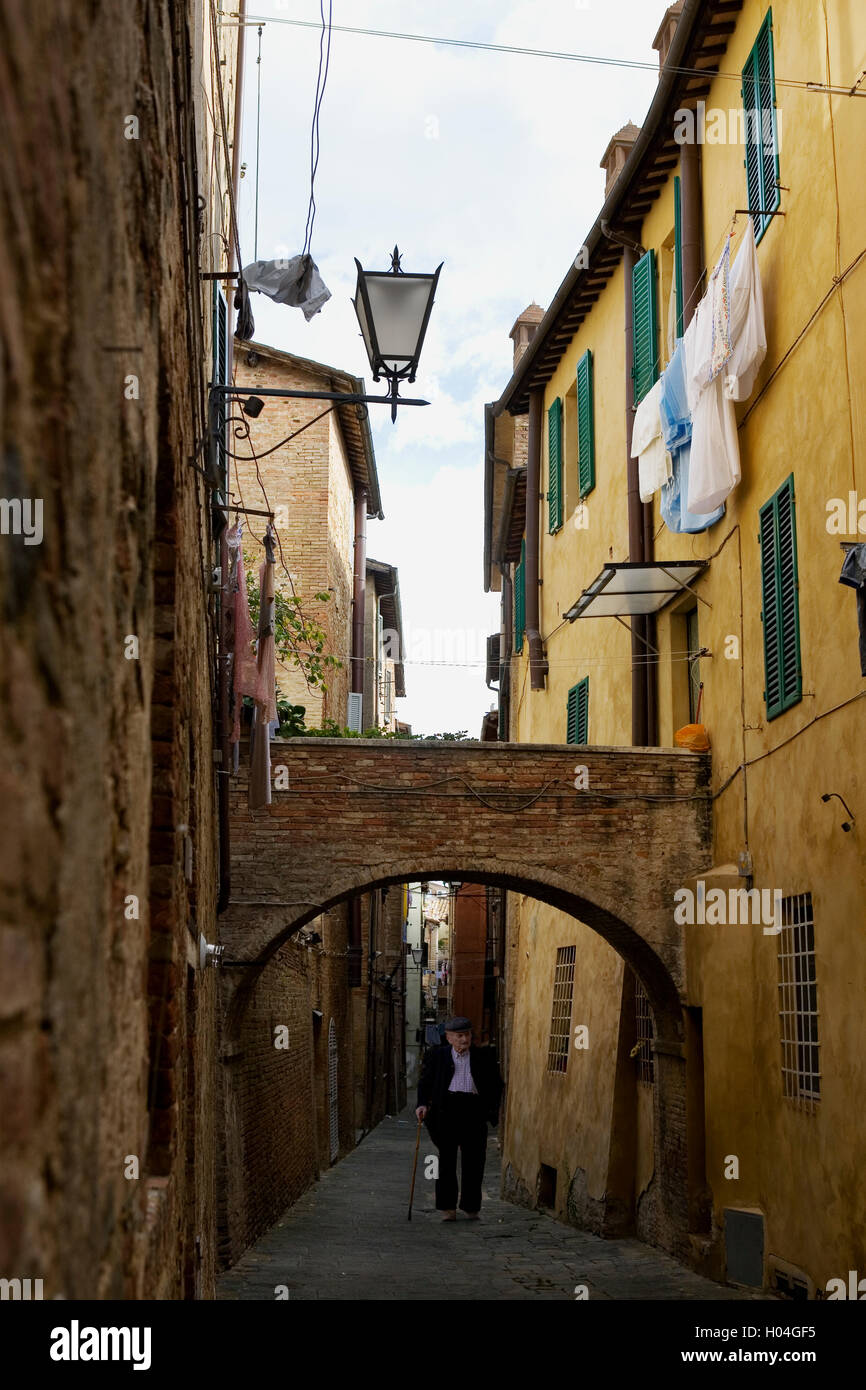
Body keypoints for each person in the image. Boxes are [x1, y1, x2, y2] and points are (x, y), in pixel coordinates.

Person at [415, 1016, 503, 1221]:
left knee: (474, 1161)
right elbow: (425, 1082)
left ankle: (471, 1207)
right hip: (446, 1111)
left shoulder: (483, 1057)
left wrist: (490, 1111)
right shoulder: (438, 1056)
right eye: (460, 1035)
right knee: (446, 1160)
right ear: (449, 1037)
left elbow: (497, 1085)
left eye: (468, 1034)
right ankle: (448, 1208)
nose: (465, 1039)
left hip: (473, 1111)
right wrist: (421, 1104)